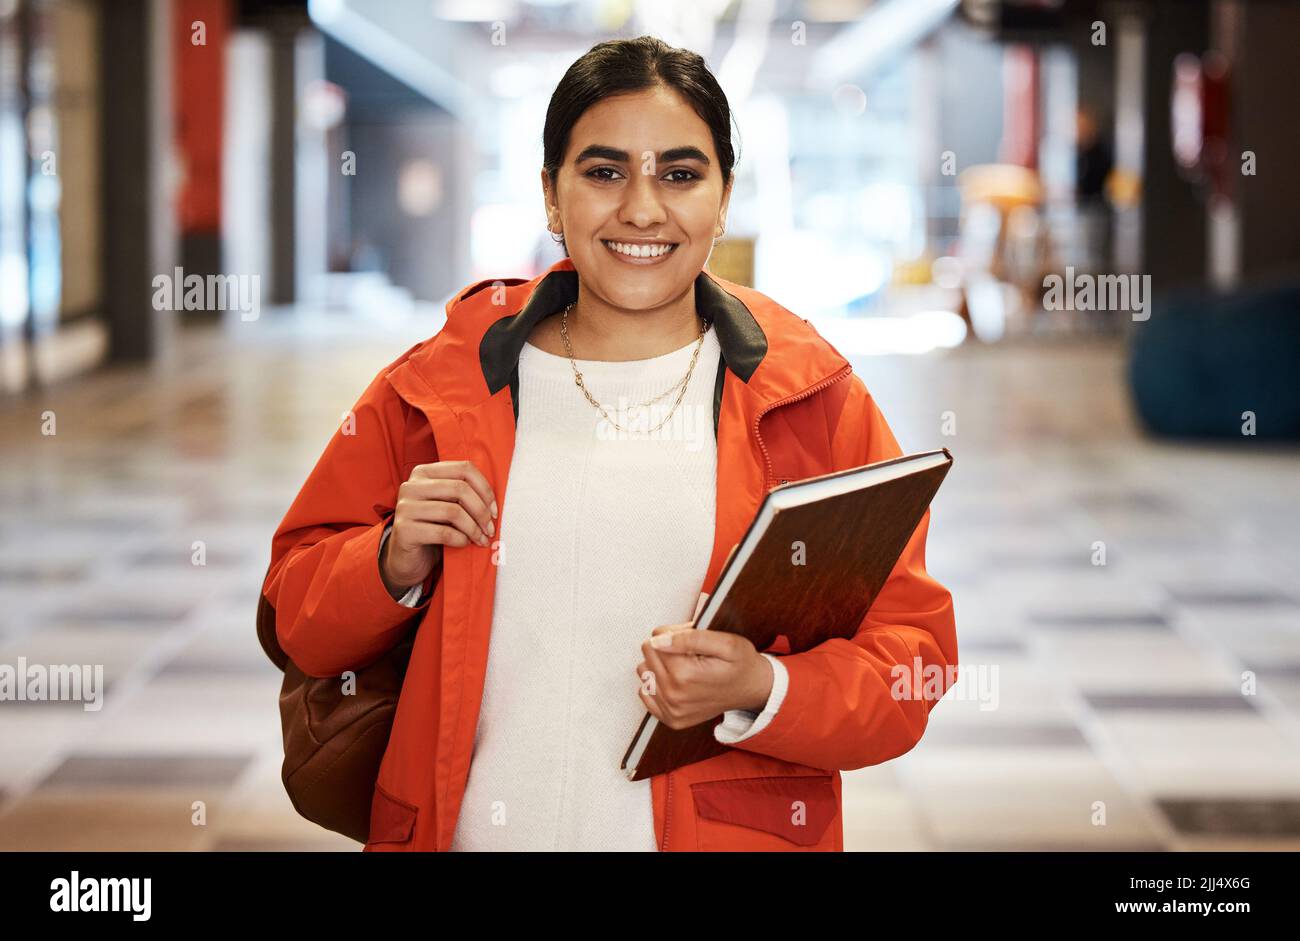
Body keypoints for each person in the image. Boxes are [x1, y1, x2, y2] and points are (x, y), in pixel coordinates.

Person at [263, 36, 957, 852]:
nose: (641, 207)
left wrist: (766, 685)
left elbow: (912, 664)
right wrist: (390, 561)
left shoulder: (811, 400)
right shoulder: (437, 385)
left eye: (681, 173)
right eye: (603, 172)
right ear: (551, 195)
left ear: (724, 197)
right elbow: (297, 618)